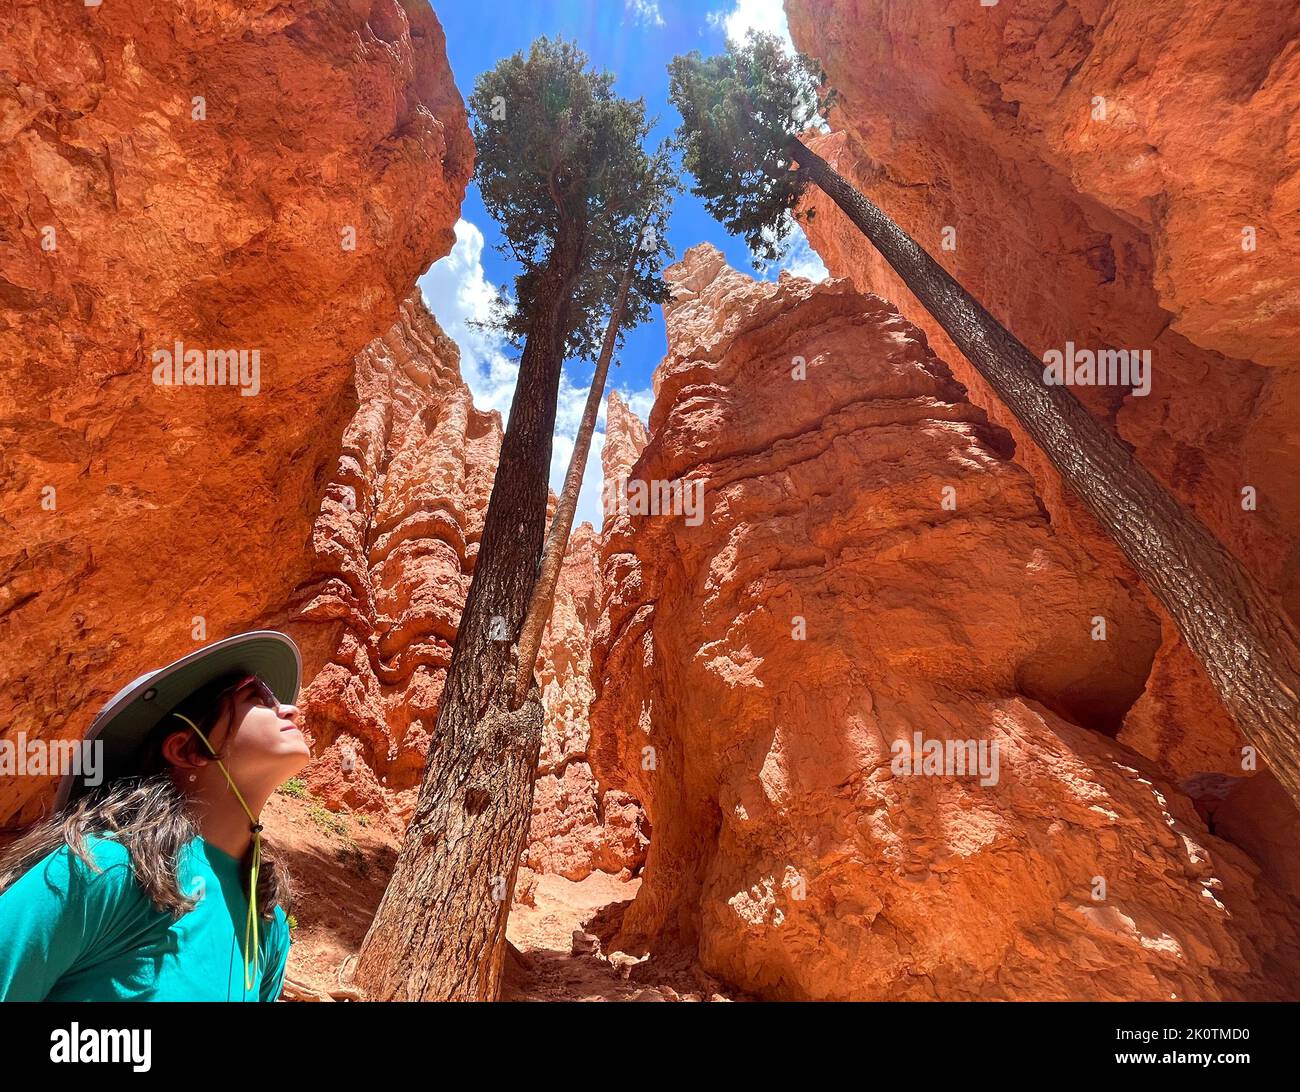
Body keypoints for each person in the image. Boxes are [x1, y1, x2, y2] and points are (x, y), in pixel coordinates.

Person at [0, 631, 310, 1001]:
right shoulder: (101, 869)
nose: (288, 709)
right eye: (255, 696)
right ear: (187, 748)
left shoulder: (266, 921)